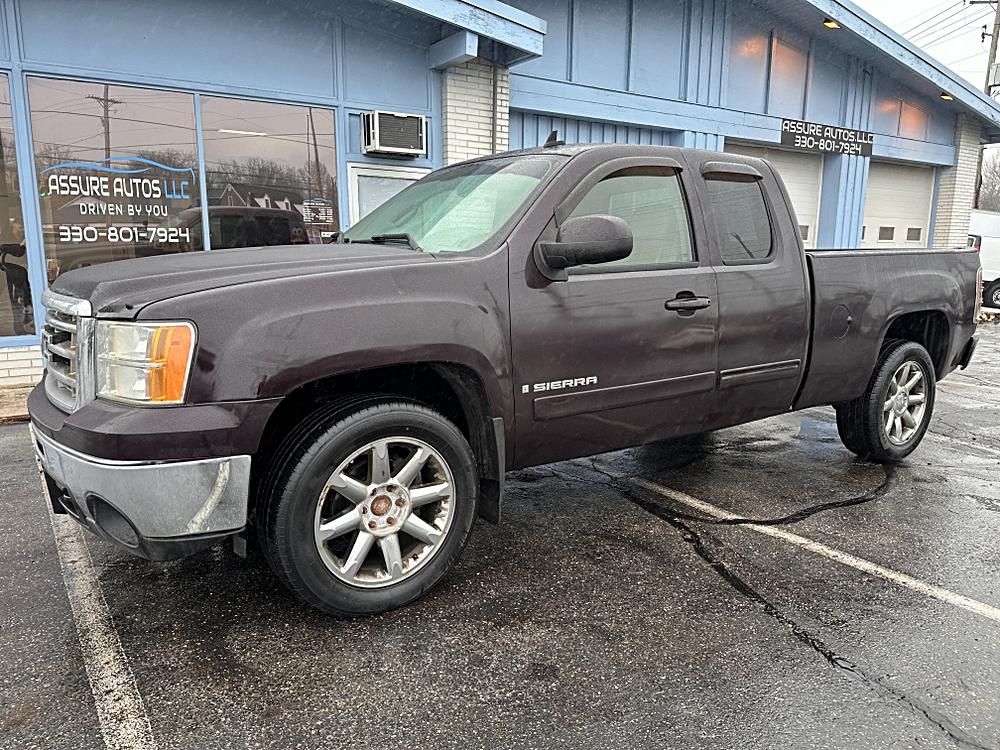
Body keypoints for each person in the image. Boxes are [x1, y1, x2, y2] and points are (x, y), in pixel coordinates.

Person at [0, 220, 32, 335]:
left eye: (22, 228)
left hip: (23, 280)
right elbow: (17, 253)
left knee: (24, 306)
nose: (21, 231)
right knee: (16, 305)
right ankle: (19, 330)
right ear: (12, 230)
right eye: (19, 228)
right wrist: (23, 244)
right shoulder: (5, 244)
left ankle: (23, 328)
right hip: (12, 280)